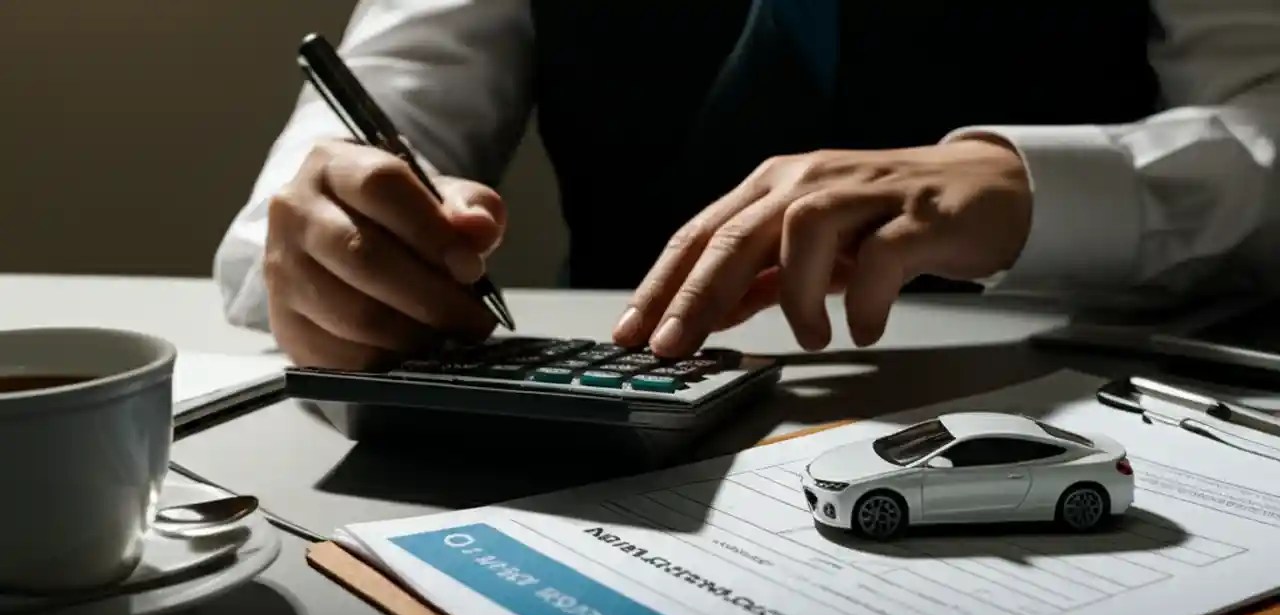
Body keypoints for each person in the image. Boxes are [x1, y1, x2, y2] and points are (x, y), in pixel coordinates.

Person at [215, 0, 1280, 370]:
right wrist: (316, 238)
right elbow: (378, 103)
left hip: (1069, 403)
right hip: (600, 433)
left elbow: (1261, 117)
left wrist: (1028, 180)